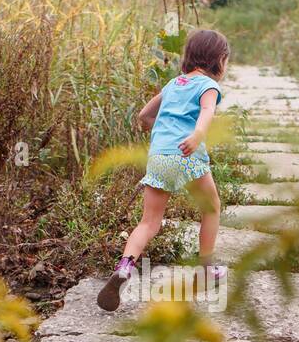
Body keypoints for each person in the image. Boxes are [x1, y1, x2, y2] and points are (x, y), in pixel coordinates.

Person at [96, 28, 230, 312]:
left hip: (159, 156)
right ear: (218, 60)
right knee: (211, 208)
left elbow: (145, 114)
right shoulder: (208, 86)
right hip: (186, 153)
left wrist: (157, 133)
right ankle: (205, 269)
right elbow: (207, 112)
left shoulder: (173, 84)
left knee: (149, 222)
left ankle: (125, 266)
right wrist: (197, 136)